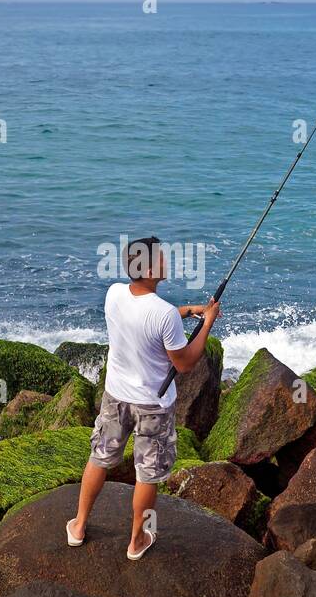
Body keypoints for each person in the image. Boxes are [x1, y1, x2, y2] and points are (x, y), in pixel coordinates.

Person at [66, 236, 221, 559]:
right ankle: (136, 541)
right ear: (150, 268)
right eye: (162, 258)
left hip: (116, 397)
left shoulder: (115, 294)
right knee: (147, 473)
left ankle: (79, 525)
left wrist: (187, 311)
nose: (167, 260)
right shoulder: (163, 314)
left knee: (100, 457)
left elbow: (143, 317)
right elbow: (186, 362)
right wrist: (207, 323)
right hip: (153, 406)